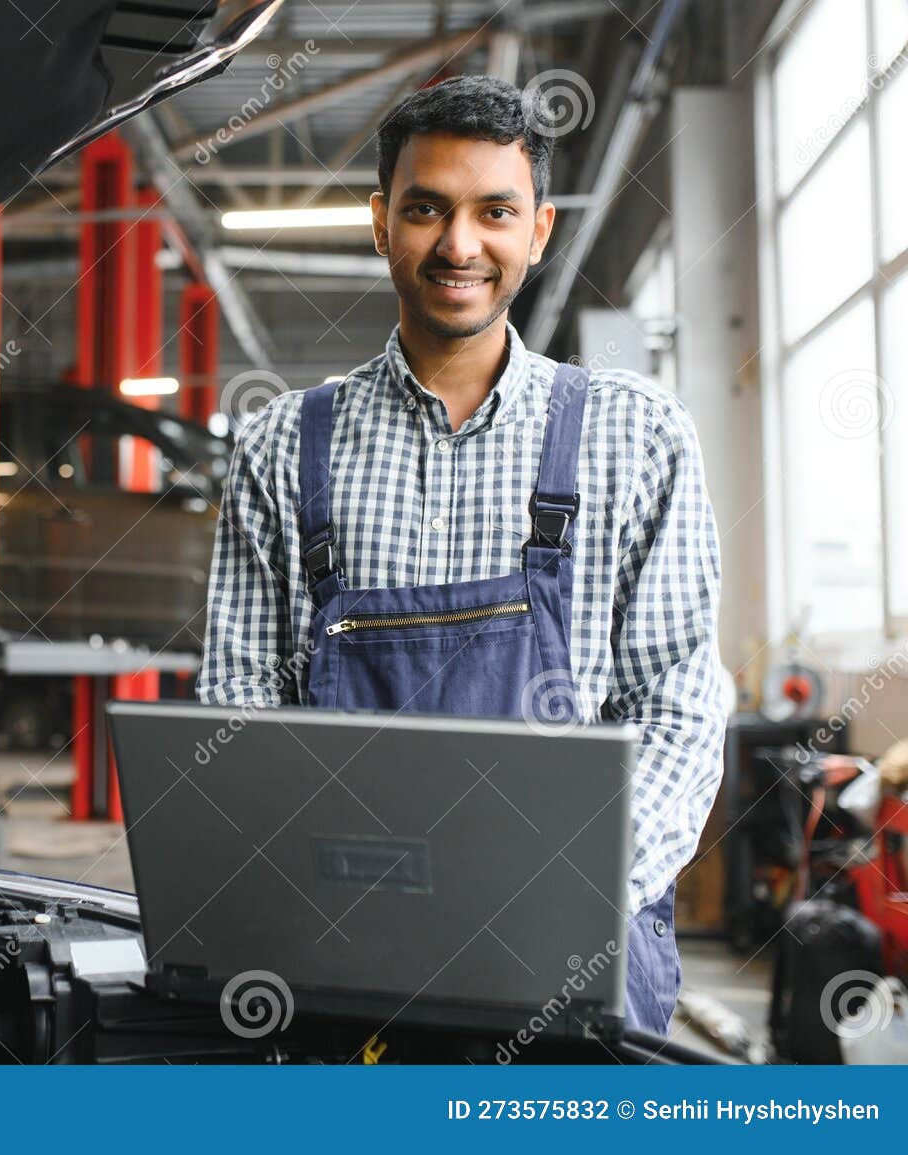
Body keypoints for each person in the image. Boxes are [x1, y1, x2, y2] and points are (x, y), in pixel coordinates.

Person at [195, 74, 727, 1037]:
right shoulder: (282, 446)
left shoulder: (637, 436)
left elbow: (679, 705)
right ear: (378, 221)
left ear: (540, 230)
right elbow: (240, 709)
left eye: (495, 211)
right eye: (426, 209)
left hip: (576, 949)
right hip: (340, 947)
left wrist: (572, 894)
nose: (458, 244)